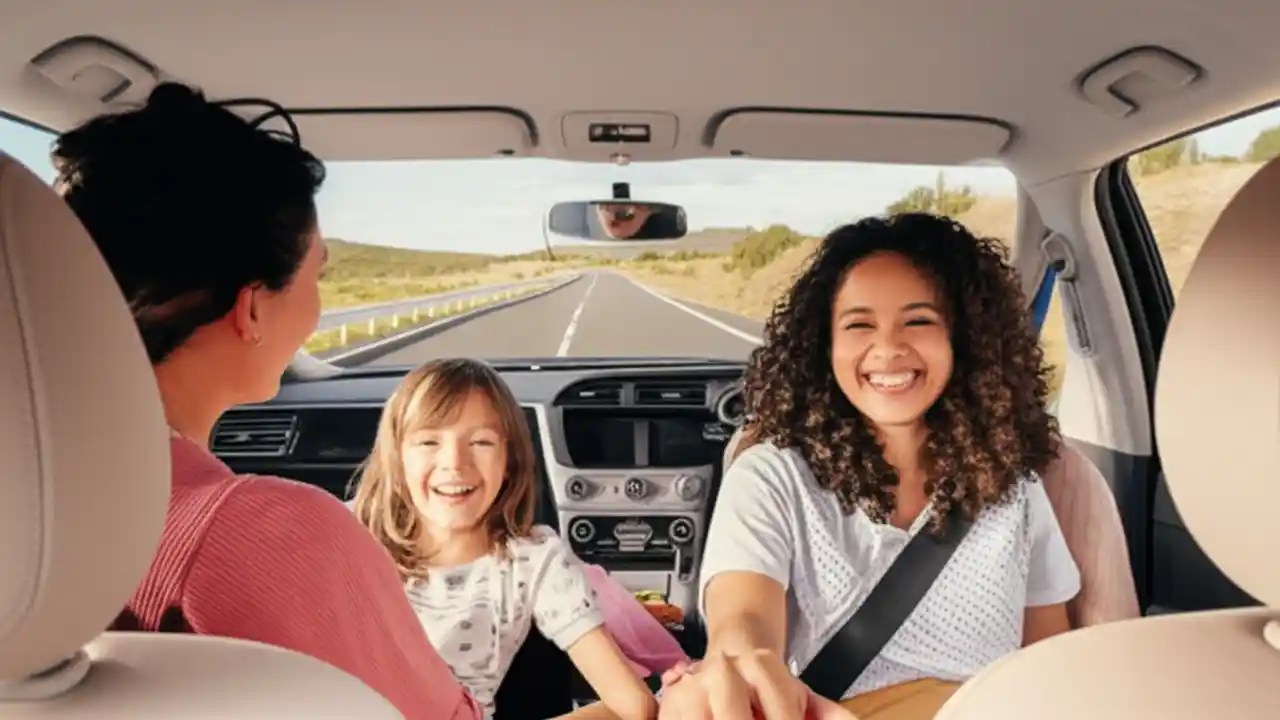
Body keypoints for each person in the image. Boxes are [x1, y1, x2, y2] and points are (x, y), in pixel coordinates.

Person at [52, 81, 489, 719]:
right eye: (319, 275)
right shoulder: (261, 534)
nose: (318, 301)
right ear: (251, 307)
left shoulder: (37, 516)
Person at [661, 213, 1081, 719]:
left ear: (963, 339)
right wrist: (741, 662)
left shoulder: (1016, 489)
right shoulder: (772, 477)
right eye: (859, 324)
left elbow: (1050, 667)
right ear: (825, 344)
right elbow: (743, 616)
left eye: (919, 320)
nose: (888, 348)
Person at [350, 358, 659, 720]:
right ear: (397, 456)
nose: (455, 463)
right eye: (429, 441)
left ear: (509, 459)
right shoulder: (345, 537)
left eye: (481, 442)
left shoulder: (532, 561)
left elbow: (634, 706)